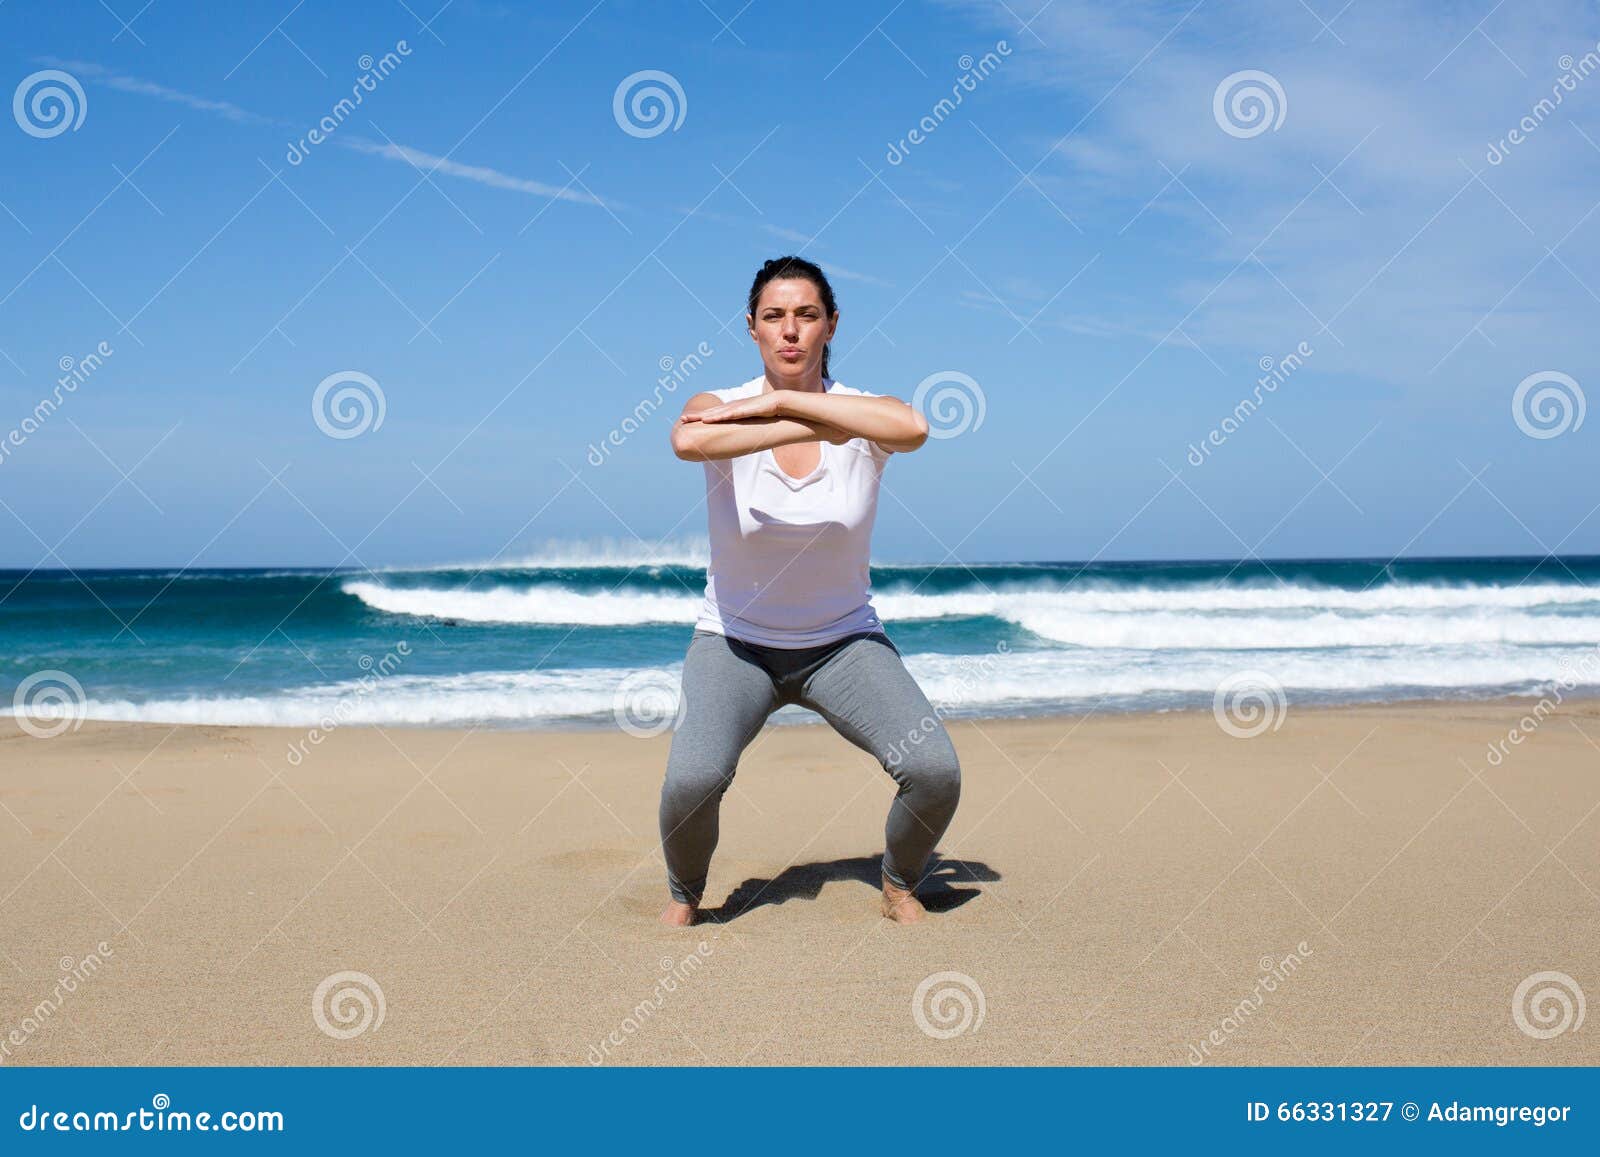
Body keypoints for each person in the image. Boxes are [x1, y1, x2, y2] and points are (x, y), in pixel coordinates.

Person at [658, 255, 962, 927]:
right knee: (693, 780)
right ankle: (685, 894)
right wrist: (804, 414)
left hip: (843, 642)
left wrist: (786, 400)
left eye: (806, 315)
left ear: (830, 324)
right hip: (734, 642)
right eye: (774, 317)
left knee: (934, 770)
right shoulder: (718, 405)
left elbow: (914, 427)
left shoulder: (867, 413)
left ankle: (898, 881)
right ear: (751, 328)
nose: (790, 330)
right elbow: (686, 439)